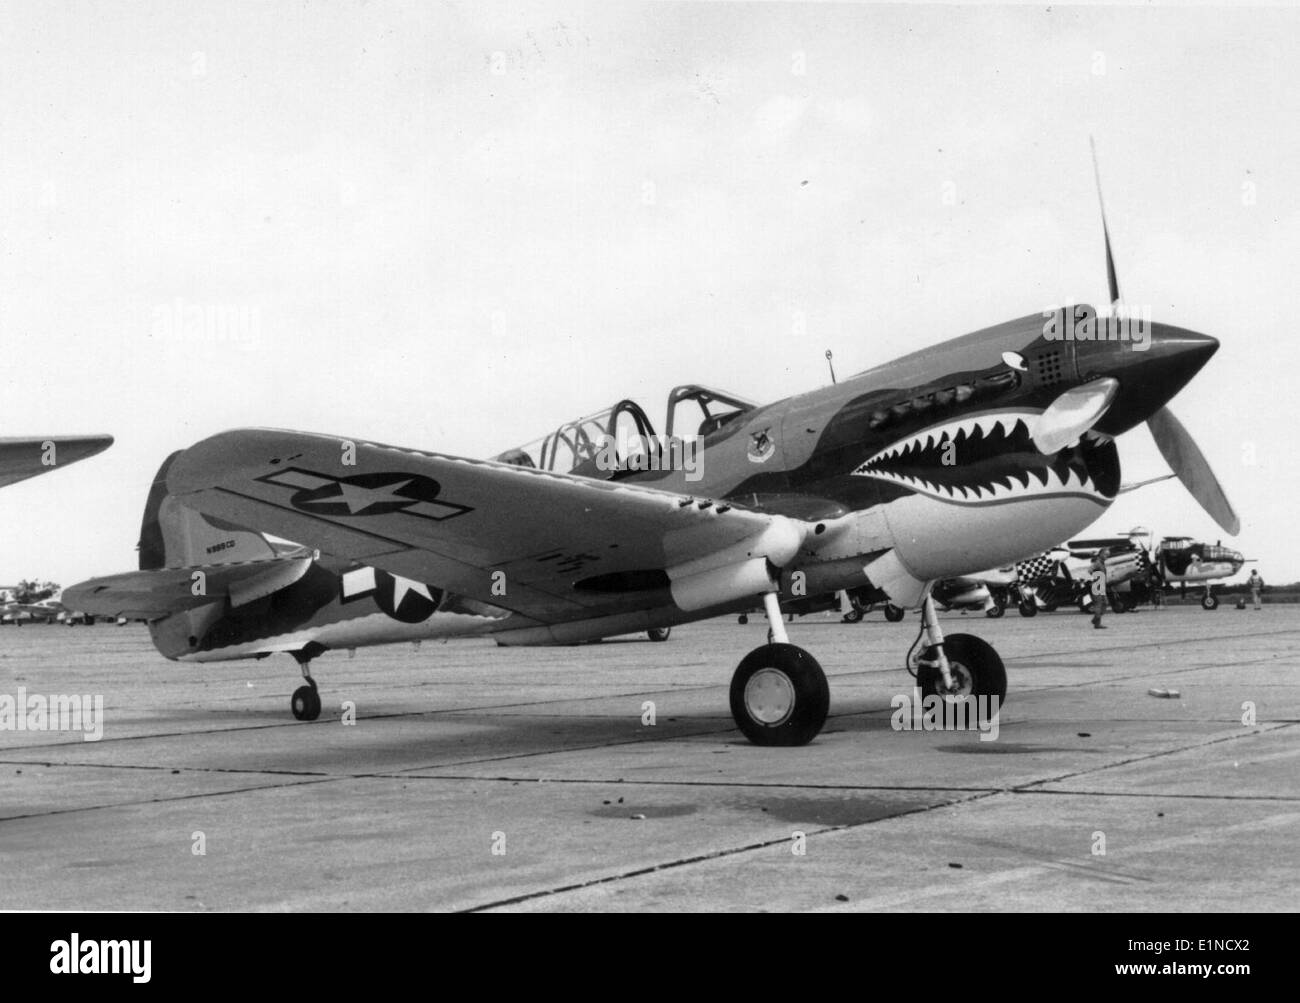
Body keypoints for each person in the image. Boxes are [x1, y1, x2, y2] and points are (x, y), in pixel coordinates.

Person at [1089, 548, 1109, 629]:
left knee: (1105, 603)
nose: (1106, 556)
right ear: (1100, 554)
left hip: (1101, 586)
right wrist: (1095, 578)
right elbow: (1090, 570)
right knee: (1099, 604)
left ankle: (1095, 619)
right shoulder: (1097, 563)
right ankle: (1097, 623)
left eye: (1107, 555)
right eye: (1105, 554)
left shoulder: (1102, 563)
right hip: (1097, 586)